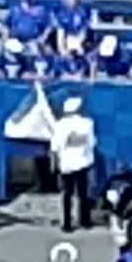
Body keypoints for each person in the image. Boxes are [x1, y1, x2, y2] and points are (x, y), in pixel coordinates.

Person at [49, 95, 98, 233]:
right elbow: (91, 143)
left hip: (67, 164)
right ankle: (85, 220)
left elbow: (55, 147)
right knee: (83, 192)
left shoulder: (60, 125)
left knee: (67, 194)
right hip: (83, 162)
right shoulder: (87, 123)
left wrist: (54, 164)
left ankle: (67, 223)